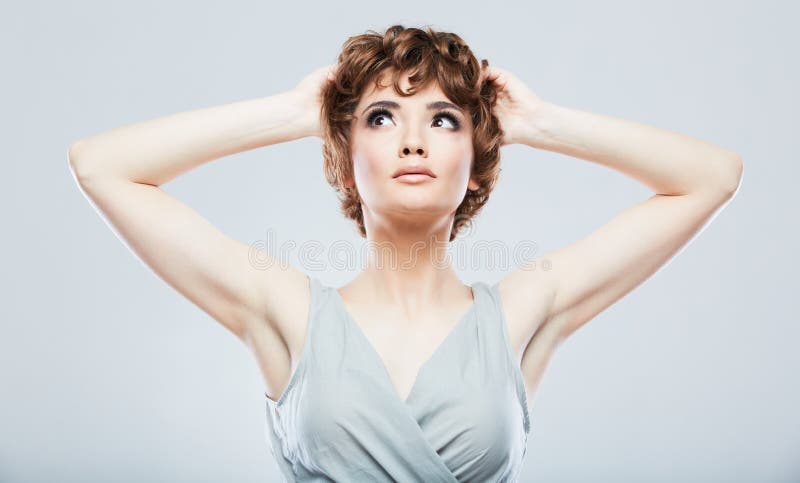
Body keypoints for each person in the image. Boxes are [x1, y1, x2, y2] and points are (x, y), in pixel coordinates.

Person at [68, 24, 743, 483]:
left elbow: (712, 177)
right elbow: (101, 166)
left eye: (444, 119)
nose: (413, 141)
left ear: (475, 163)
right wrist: (293, 113)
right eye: (381, 117)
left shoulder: (522, 310)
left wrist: (540, 123)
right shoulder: (286, 309)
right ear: (345, 160)